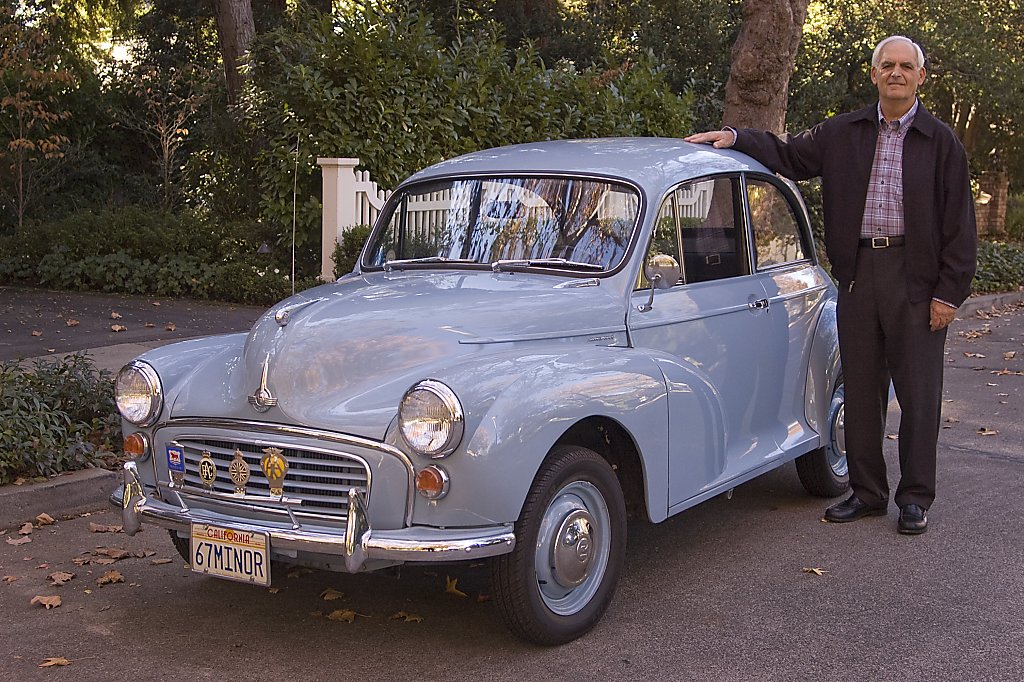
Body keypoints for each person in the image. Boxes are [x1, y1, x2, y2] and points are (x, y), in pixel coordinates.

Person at [685, 35, 977, 535]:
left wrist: (949, 293)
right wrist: (737, 138)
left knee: (920, 396)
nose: (897, 73)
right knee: (861, 390)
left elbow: (960, 225)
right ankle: (866, 492)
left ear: (921, 77)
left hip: (917, 281)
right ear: (874, 74)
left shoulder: (941, 142)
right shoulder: (845, 133)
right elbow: (790, 155)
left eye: (907, 66)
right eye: (888, 65)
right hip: (861, 278)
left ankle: (914, 499)